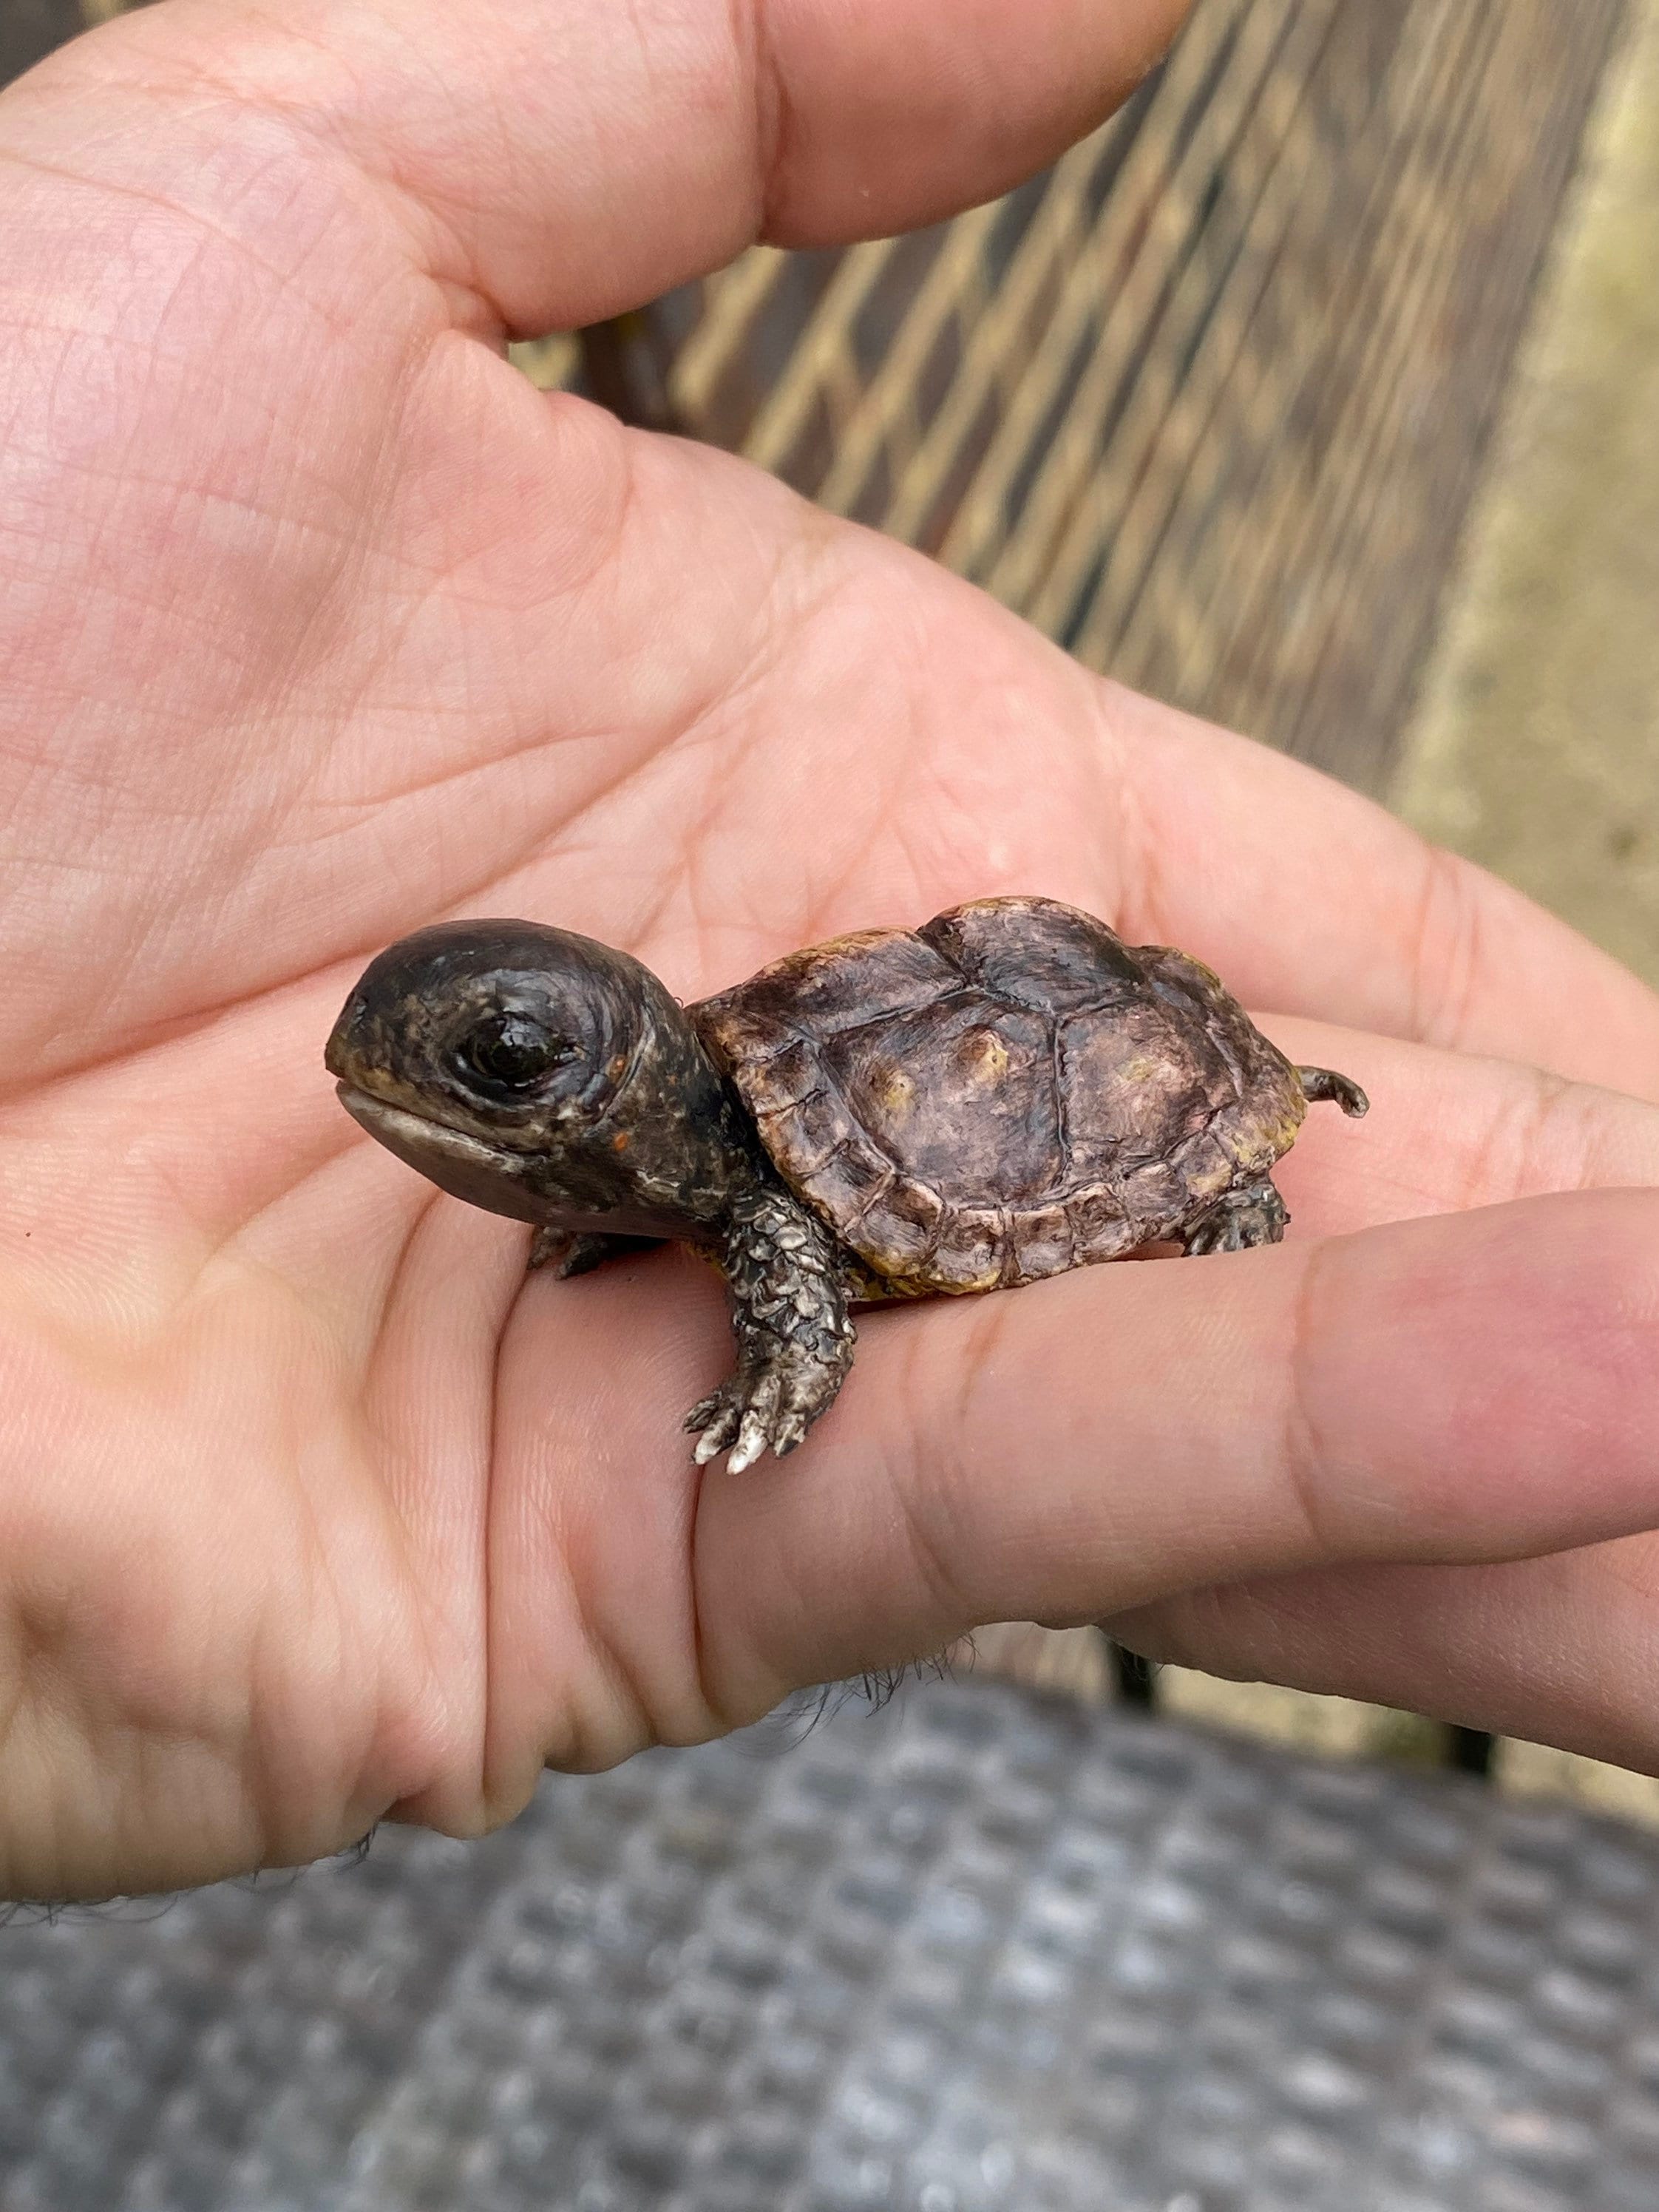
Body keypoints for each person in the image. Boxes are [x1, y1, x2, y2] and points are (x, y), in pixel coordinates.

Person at [1, 0, 1656, 1906]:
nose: (468, 1105)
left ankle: (1229, 1161)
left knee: (1239, 1255)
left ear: (621, 1084)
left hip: (1098, 1080)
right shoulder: (682, 1141)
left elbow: (785, 1240)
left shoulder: (760, 1184)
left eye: (510, 1070)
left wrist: (786, 1369)